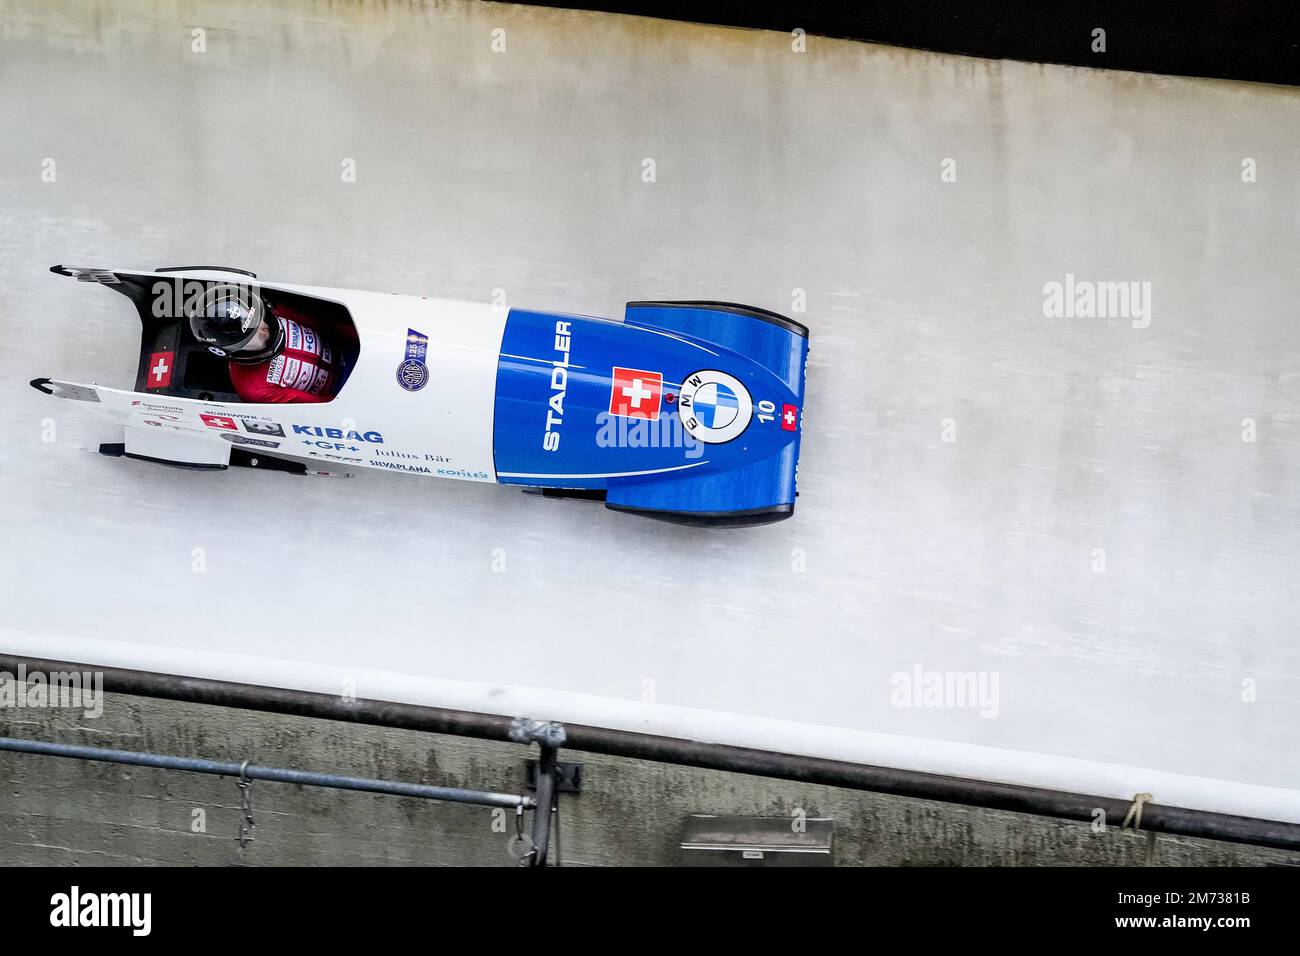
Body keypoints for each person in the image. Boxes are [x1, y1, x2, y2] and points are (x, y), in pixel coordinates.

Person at [188, 285, 337, 403]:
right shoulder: (252, 387)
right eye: (251, 335)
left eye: (258, 320)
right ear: (235, 350)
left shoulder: (274, 311)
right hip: (336, 390)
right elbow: (318, 404)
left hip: (345, 348)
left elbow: (325, 324)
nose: (265, 329)